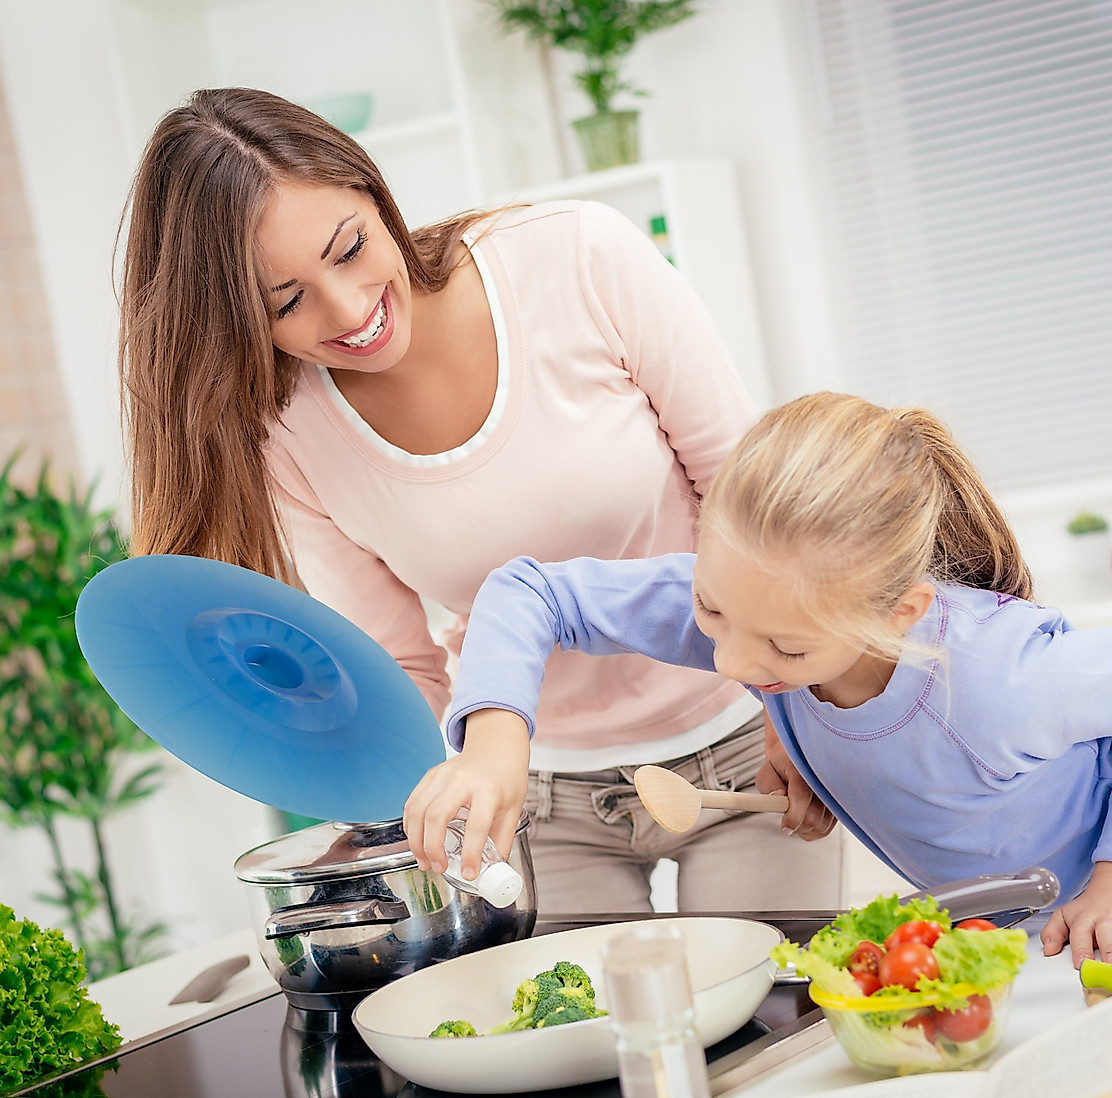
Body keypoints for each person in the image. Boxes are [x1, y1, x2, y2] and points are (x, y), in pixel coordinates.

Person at [117, 86, 843, 914]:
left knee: (773, 991)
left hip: (743, 736)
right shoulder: (287, 431)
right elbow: (406, 671)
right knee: (573, 1004)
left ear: (370, 190)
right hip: (532, 791)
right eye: (286, 302)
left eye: (350, 249)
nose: (348, 310)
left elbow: (749, 508)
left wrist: (798, 714)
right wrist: (401, 810)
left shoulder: (579, 257)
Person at [403, 391, 1112, 967]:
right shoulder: (758, 605)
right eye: (709, 610)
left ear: (900, 613)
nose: (730, 664)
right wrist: (492, 748)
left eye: (785, 650)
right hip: (1055, 939)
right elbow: (531, 591)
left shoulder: (999, 672)